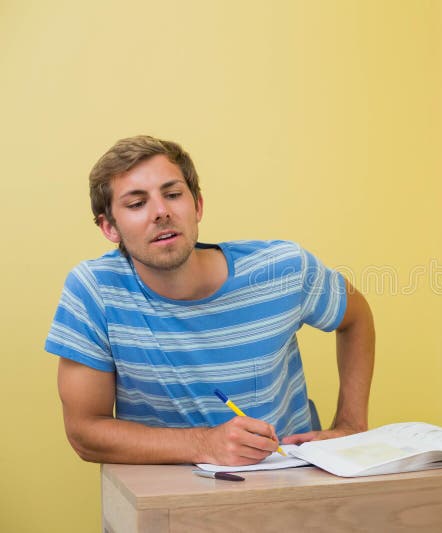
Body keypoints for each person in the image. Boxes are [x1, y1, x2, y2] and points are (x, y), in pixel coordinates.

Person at [45, 135, 375, 466]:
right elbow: (85, 433)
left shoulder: (282, 268)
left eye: (173, 195)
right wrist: (206, 444)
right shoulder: (94, 291)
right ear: (109, 228)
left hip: (288, 485)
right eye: (136, 204)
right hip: (167, 501)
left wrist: (351, 425)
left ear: (198, 205)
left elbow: (356, 318)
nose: (161, 212)